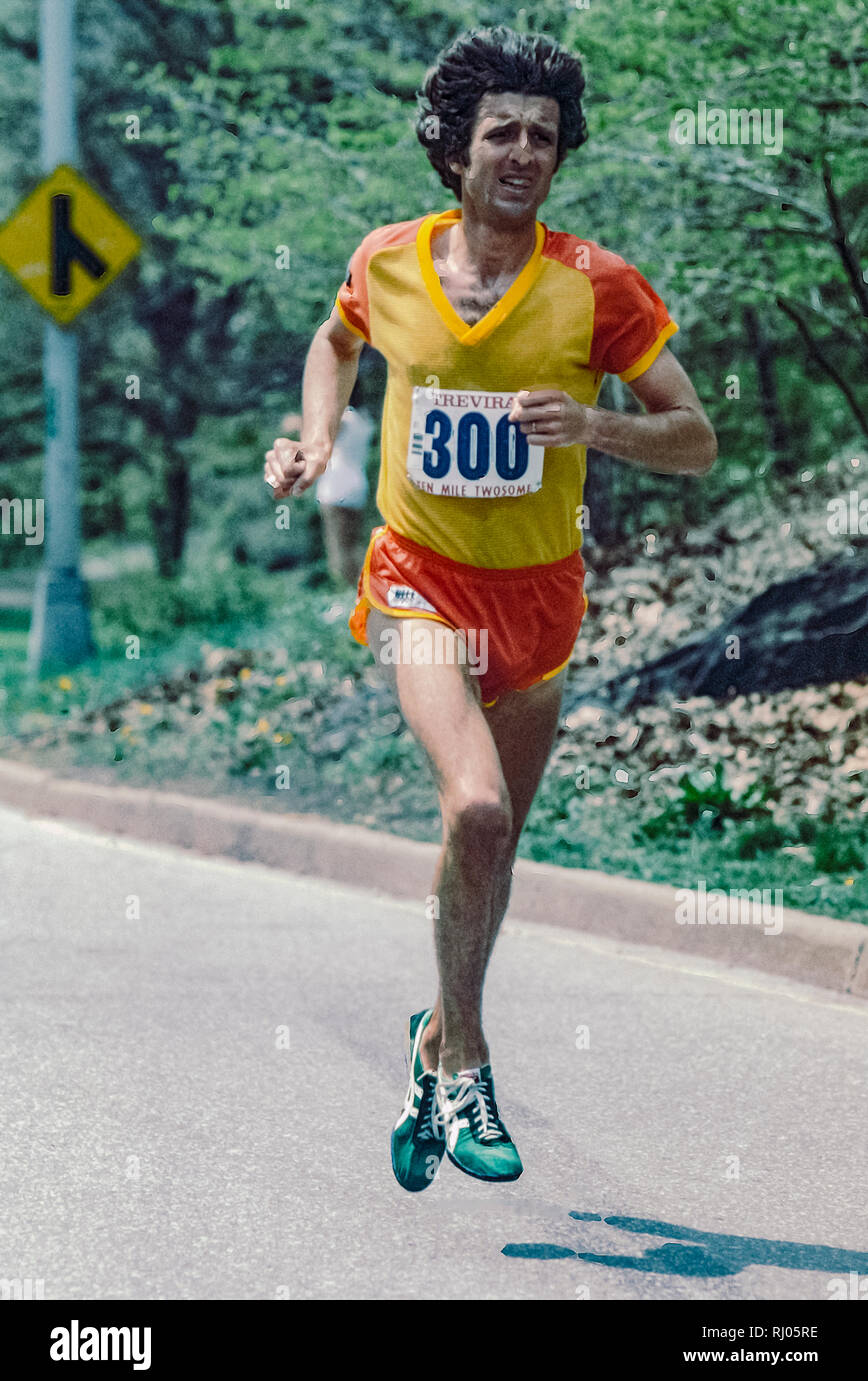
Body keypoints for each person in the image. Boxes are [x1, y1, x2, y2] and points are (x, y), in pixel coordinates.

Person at [264, 25, 717, 1191]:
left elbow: (697, 438)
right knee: (472, 809)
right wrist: (314, 441)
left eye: (543, 136)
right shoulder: (390, 261)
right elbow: (334, 341)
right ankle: (464, 1056)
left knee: (495, 837)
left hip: (541, 600)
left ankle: (430, 1037)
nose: (524, 151)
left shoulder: (595, 285)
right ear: (452, 149)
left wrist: (599, 426)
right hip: (421, 576)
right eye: (500, 132)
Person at [280, 389, 373, 586]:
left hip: (336, 489)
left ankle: (350, 592)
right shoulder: (363, 418)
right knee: (355, 546)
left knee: (339, 551)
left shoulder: (346, 419)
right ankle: (362, 590)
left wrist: (296, 422)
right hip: (358, 487)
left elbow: (319, 431)